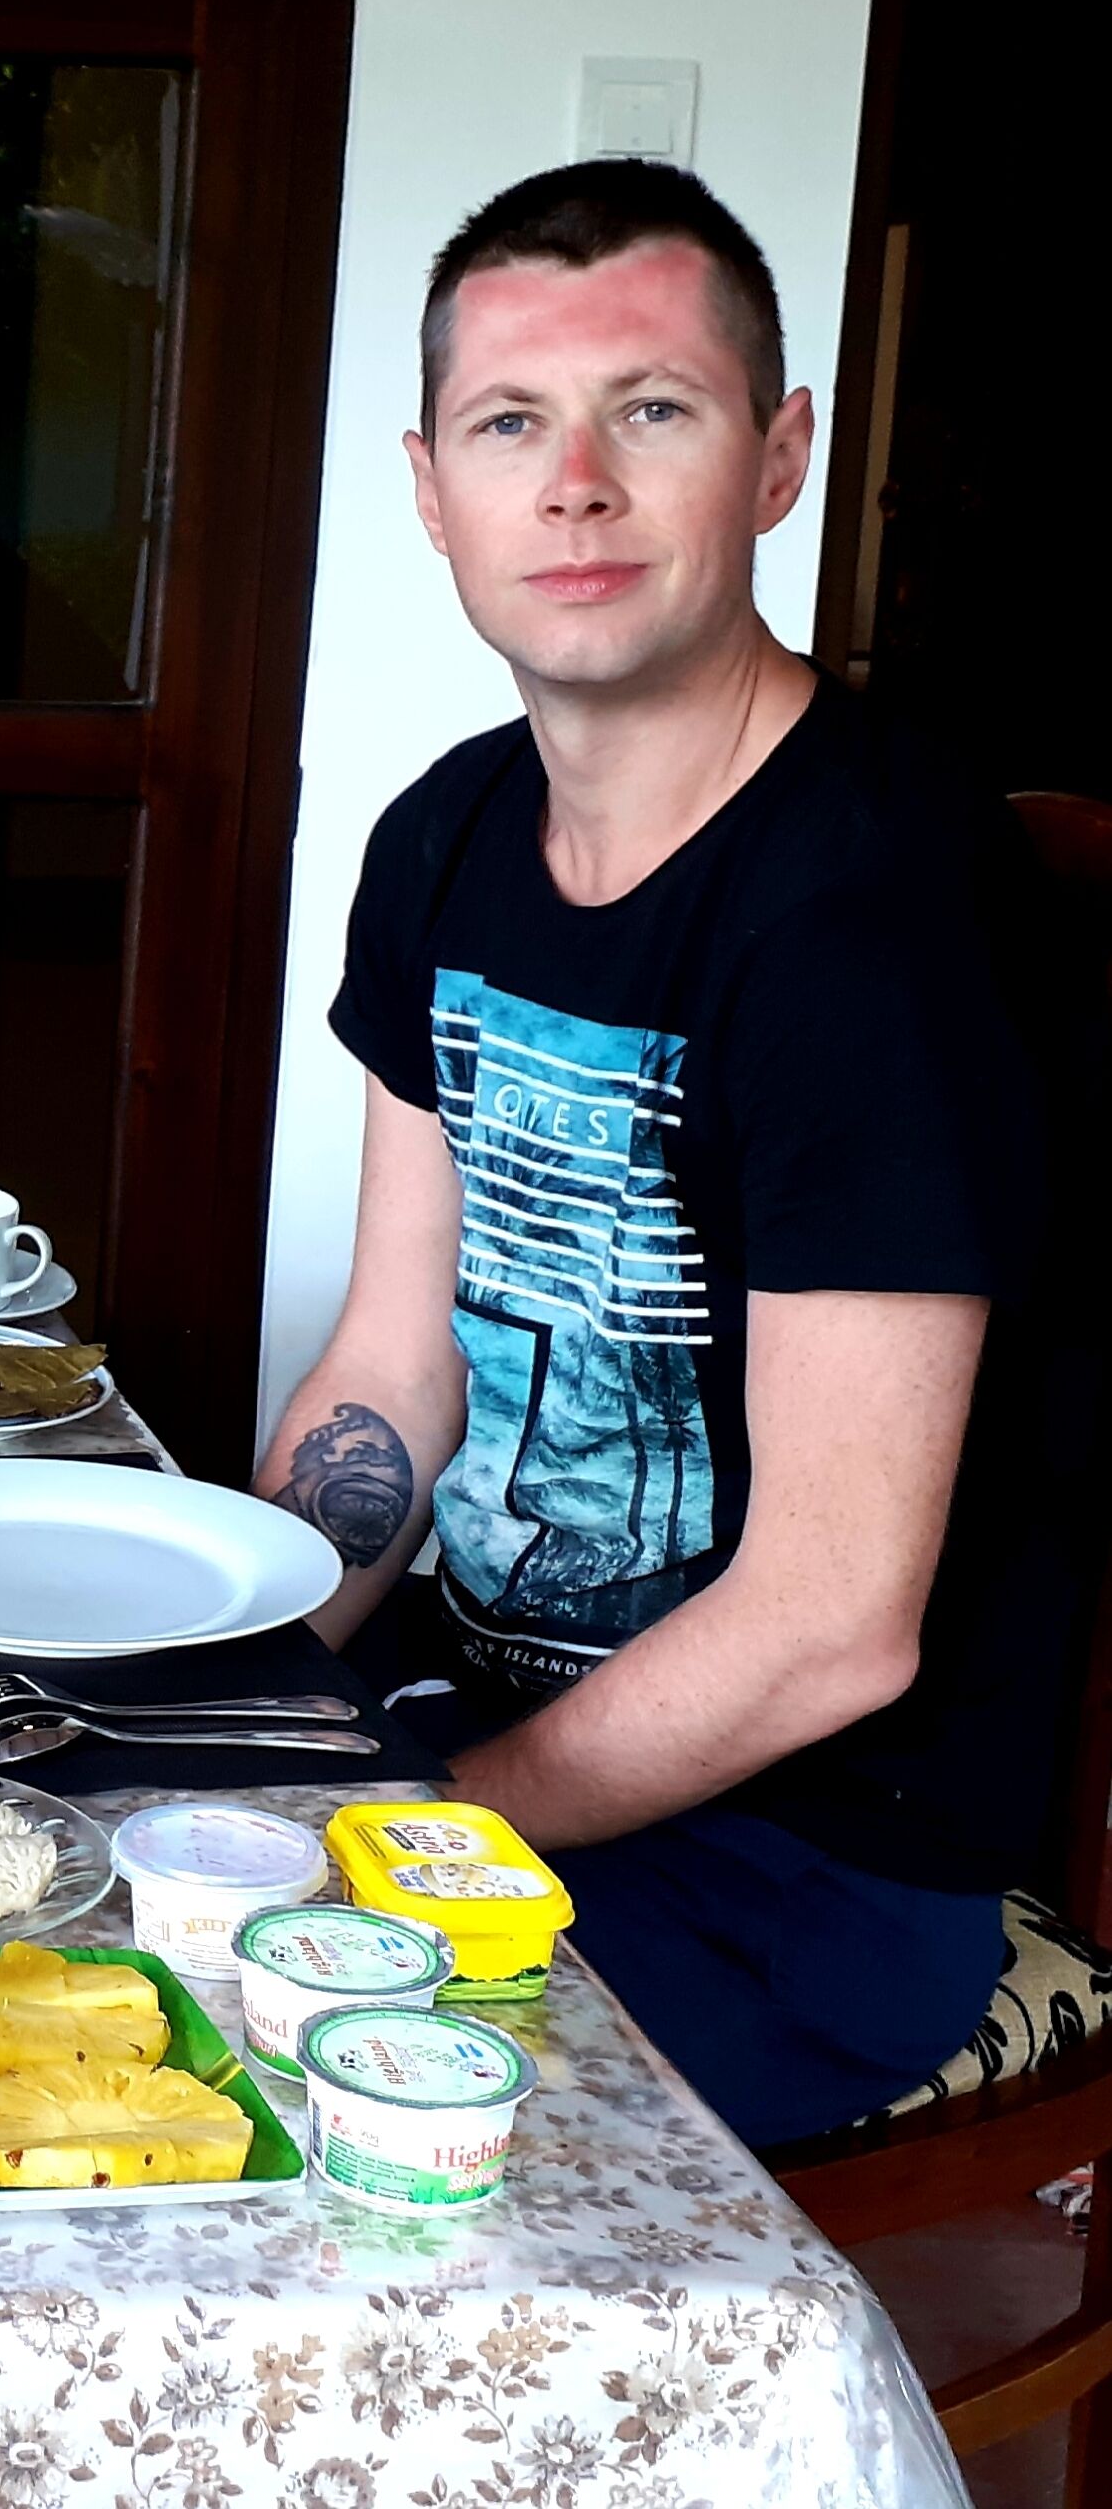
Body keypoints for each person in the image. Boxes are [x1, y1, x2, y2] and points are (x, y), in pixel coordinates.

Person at [259, 159, 1077, 2148]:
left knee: (216, 2097)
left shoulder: (873, 913)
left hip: (814, 1870)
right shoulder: (448, 837)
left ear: (779, 456)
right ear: (433, 489)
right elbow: (395, 1363)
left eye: (657, 408)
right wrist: (231, 1685)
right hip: (496, 1738)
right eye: (512, 423)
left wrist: (421, 1825)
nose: (579, 483)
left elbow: (833, 1614)